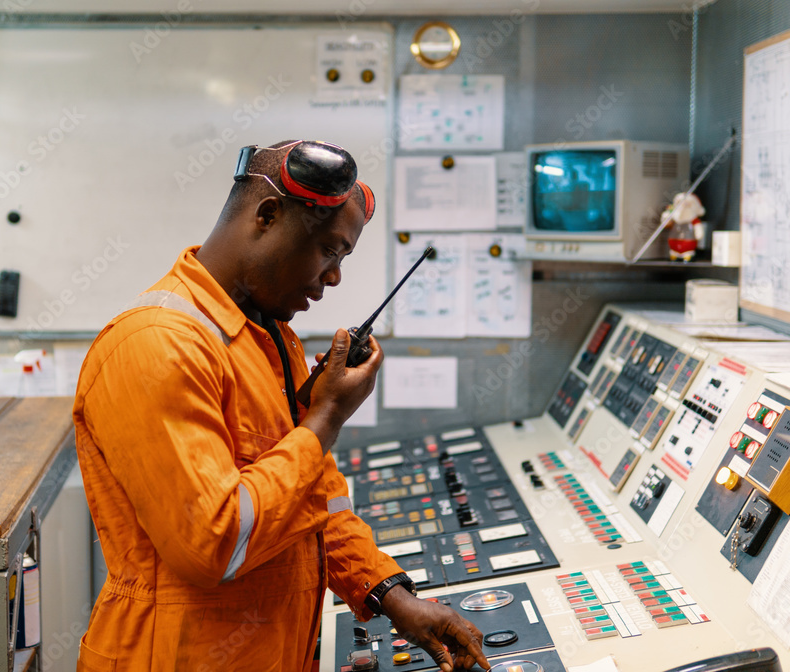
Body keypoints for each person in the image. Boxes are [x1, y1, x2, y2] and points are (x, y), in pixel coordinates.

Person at [73, 140, 489, 672]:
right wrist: (325, 419)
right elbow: (214, 544)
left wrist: (389, 594)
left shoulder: (270, 338)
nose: (334, 276)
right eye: (328, 250)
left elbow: (313, 501)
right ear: (267, 215)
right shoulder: (155, 344)